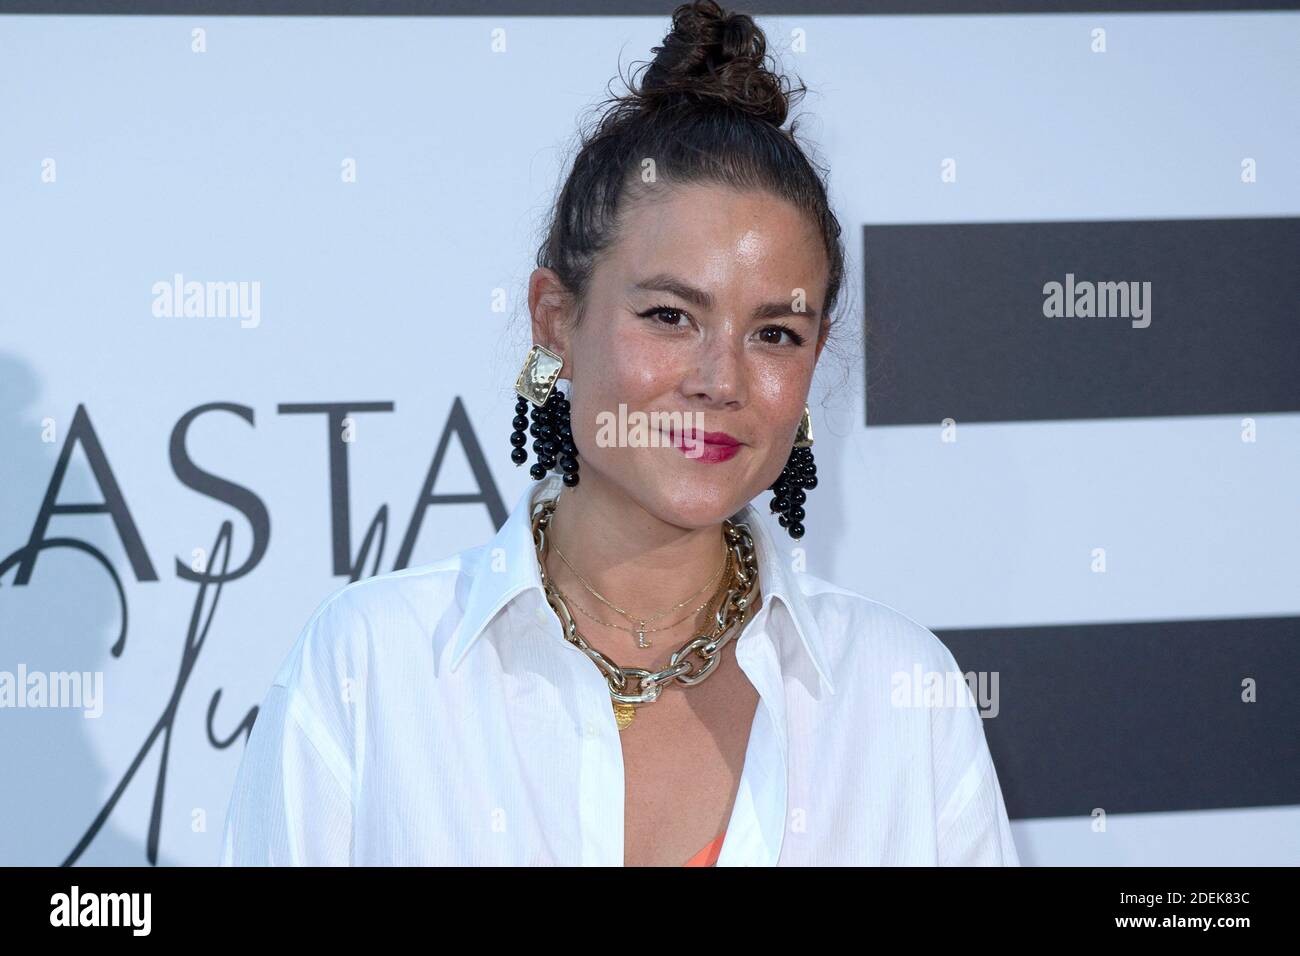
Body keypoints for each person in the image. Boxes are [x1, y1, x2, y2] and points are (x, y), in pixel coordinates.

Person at [219, 0, 1020, 867]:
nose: (720, 379)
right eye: (671, 315)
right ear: (556, 322)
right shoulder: (370, 670)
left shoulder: (900, 693)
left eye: (775, 334)